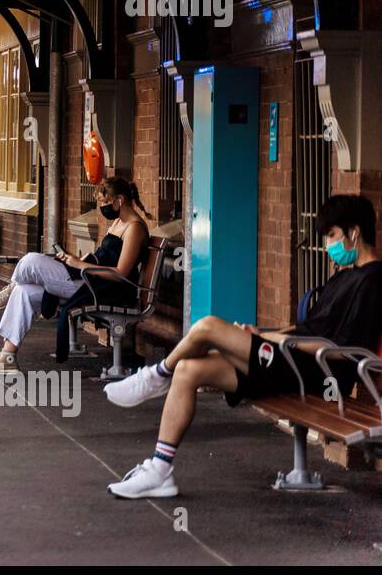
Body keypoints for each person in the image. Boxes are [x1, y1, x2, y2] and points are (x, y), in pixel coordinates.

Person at [102, 193, 382, 499]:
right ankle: (159, 472)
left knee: (207, 326)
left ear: (354, 232)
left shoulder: (372, 281)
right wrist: (264, 332)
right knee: (189, 369)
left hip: (318, 372)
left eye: (332, 236)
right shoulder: (346, 275)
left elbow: (341, 346)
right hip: (290, 361)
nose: (329, 245)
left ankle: (155, 375)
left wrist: (278, 340)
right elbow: (310, 326)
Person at [0, 176, 151, 375]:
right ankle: (7, 357)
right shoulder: (118, 221)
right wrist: (74, 259)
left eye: (105, 202)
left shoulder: (134, 228)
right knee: (24, 291)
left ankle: (9, 288)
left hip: (98, 288)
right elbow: (104, 259)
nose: (102, 207)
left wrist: (79, 264)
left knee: (31, 259)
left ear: (120, 200)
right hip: (86, 278)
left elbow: (121, 273)